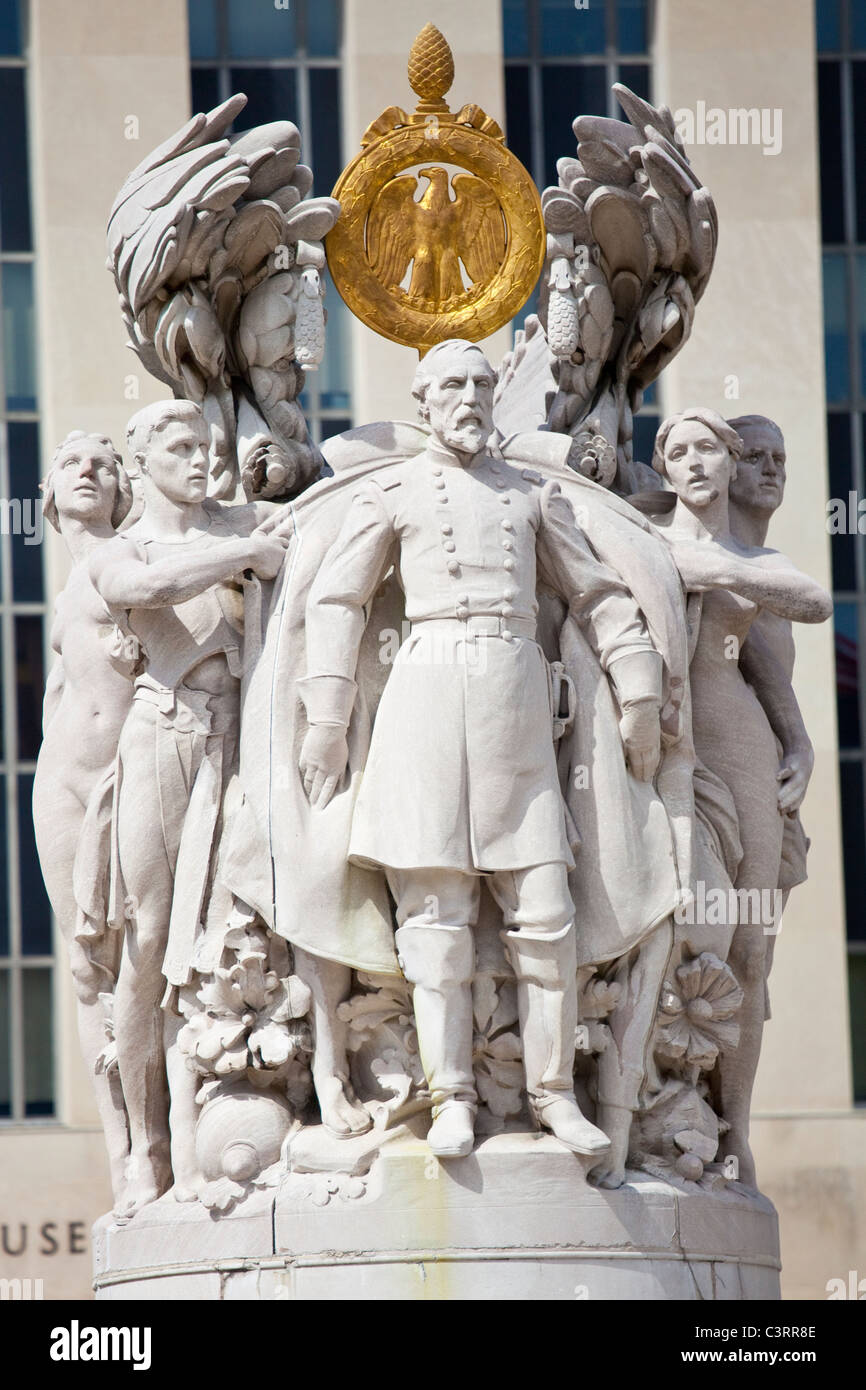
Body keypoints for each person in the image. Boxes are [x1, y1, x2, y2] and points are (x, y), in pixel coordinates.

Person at [298, 339, 665, 1160]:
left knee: (545, 910)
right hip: (424, 695)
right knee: (435, 916)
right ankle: (452, 1095)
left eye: (481, 383)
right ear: (423, 401)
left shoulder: (530, 496)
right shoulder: (392, 493)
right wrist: (326, 714)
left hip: (515, 702)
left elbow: (596, 591)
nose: (469, 396)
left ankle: (555, 1094)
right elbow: (338, 599)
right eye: (452, 385)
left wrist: (639, 688)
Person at [88, 399, 290, 1216]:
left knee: (232, 939)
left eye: (208, 444)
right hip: (165, 738)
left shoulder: (247, 519)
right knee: (148, 944)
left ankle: (231, 1110)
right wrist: (244, 551)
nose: (202, 457)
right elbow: (145, 588)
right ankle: (147, 1148)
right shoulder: (122, 547)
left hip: (245, 743)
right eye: (180, 446)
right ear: (143, 463)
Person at [651, 407, 831, 1186]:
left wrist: (799, 742)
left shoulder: (741, 557)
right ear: (663, 469)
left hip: (742, 748)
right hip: (664, 754)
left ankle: (737, 1132)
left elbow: (808, 604)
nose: (696, 464)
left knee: (753, 946)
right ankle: (667, 1105)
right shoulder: (647, 539)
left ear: (724, 467)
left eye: (708, 451)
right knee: (686, 929)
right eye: (679, 452)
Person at [33, 431, 136, 1202]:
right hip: (61, 783)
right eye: (73, 461)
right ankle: (119, 1148)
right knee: (82, 965)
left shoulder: (132, 557)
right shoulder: (69, 587)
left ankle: (154, 1143)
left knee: (143, 965)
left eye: (104, 462)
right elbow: (57, 701)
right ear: (48, 494)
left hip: (129, 782)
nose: (90, 470)